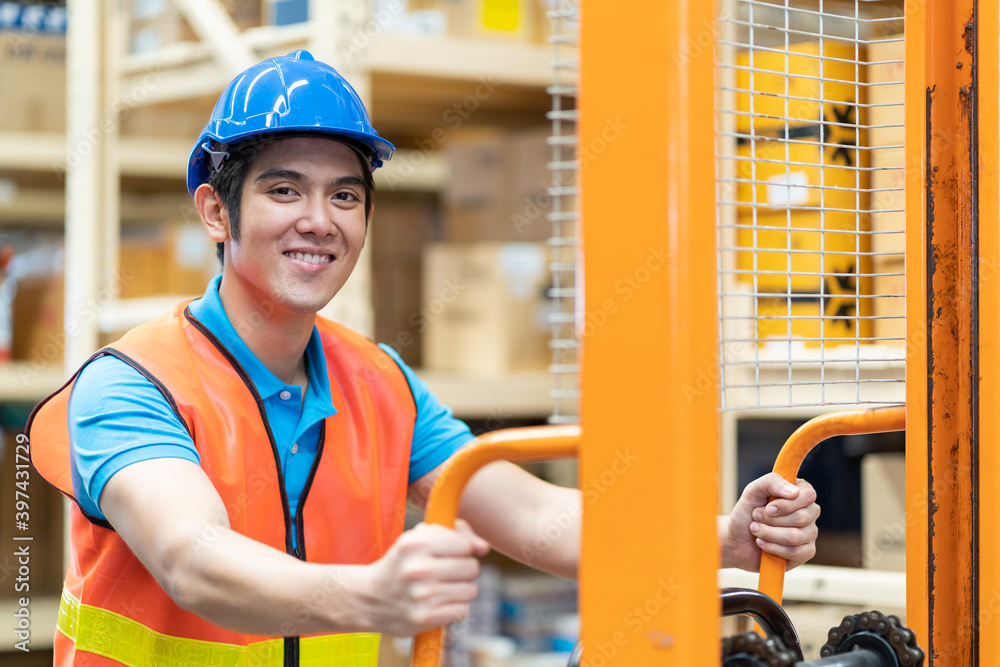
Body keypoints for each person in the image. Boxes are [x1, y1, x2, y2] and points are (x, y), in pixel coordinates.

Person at [29, 51, 820, 666]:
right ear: (215, 209)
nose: (319, 220)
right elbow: (192, 558)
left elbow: (537, 516)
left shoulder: (380, 385)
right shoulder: (131, 386)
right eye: (283, 190)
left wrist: (723, 538)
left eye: (345, 195)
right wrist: (371, 595)